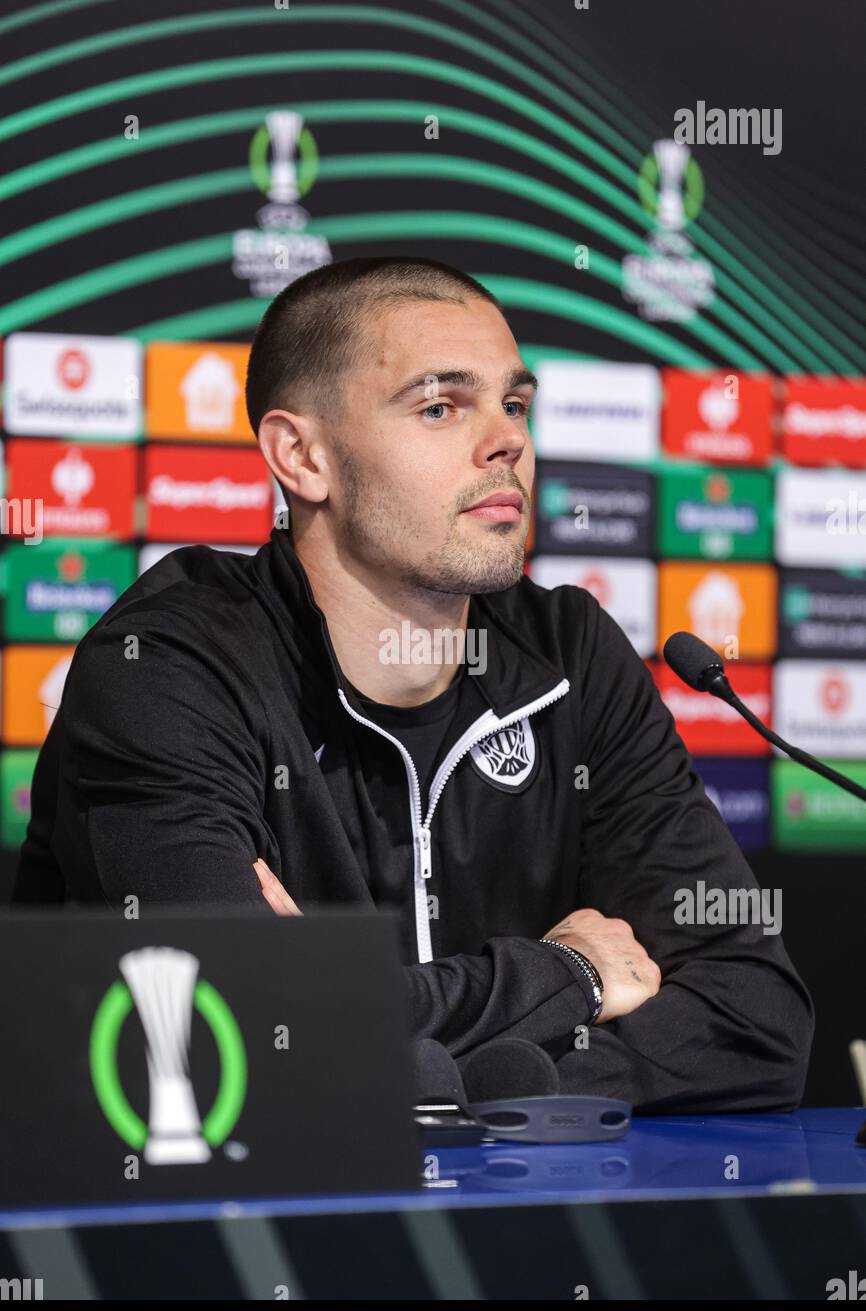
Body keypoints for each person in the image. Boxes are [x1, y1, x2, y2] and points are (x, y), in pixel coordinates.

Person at [12, 257, 814, 1112]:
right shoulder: (169, 668)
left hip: (533, 1230)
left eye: (514, 403)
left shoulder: (572, 656)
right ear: (302, 456)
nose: (507, 439)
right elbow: (231, 1033)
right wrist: (570, 974)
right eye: (440, 406)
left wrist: (447, 1084)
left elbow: (756, 1022)